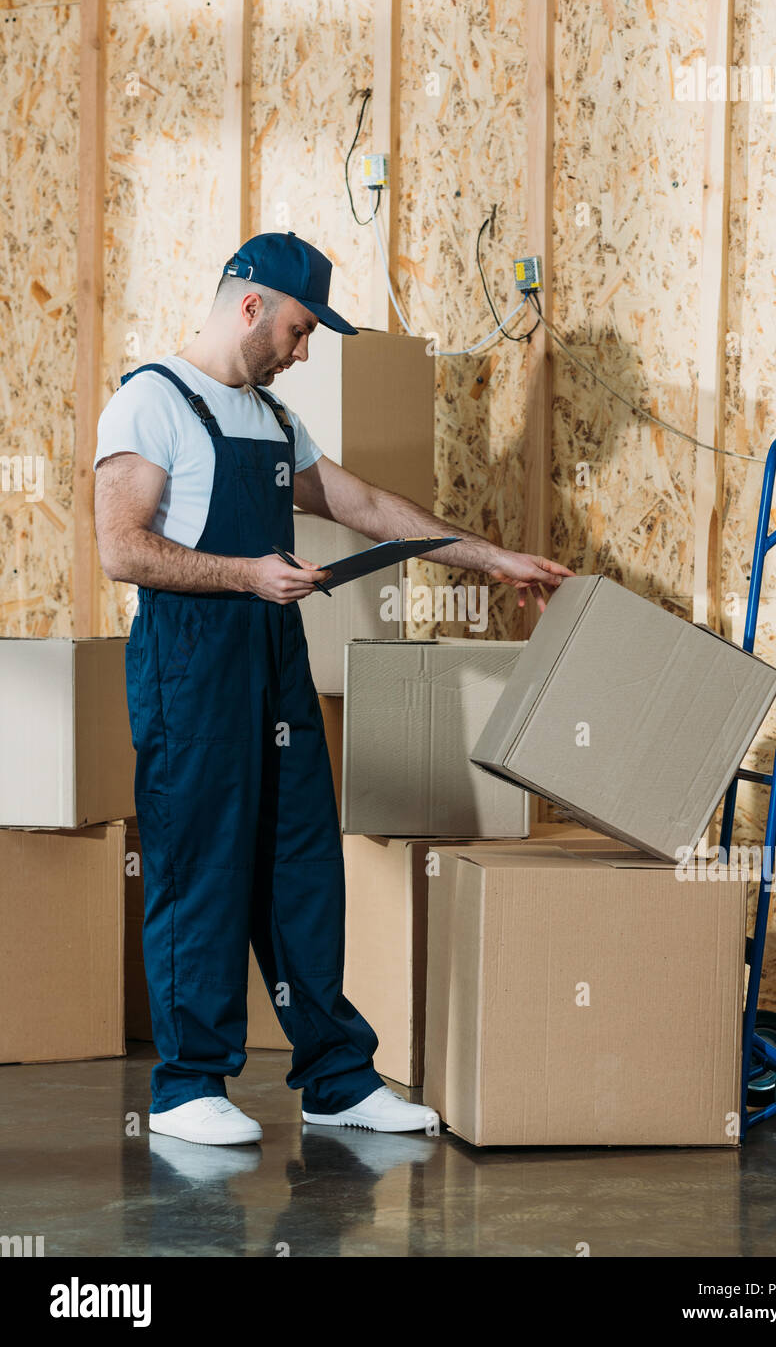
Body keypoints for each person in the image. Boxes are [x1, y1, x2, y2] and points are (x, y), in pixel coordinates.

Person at [93, 230, 574, 1147]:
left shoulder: (271, 418)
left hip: (272, 660)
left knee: (302, 865)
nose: (304, 351)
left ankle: (335, 1077)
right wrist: (246, 575)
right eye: (300, 329)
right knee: (201, 869)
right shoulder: (150, 404)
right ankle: (188, 1086)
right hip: (191, 668)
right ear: (249, 307)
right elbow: (123, 549)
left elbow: (365, 506)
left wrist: (488, 558)